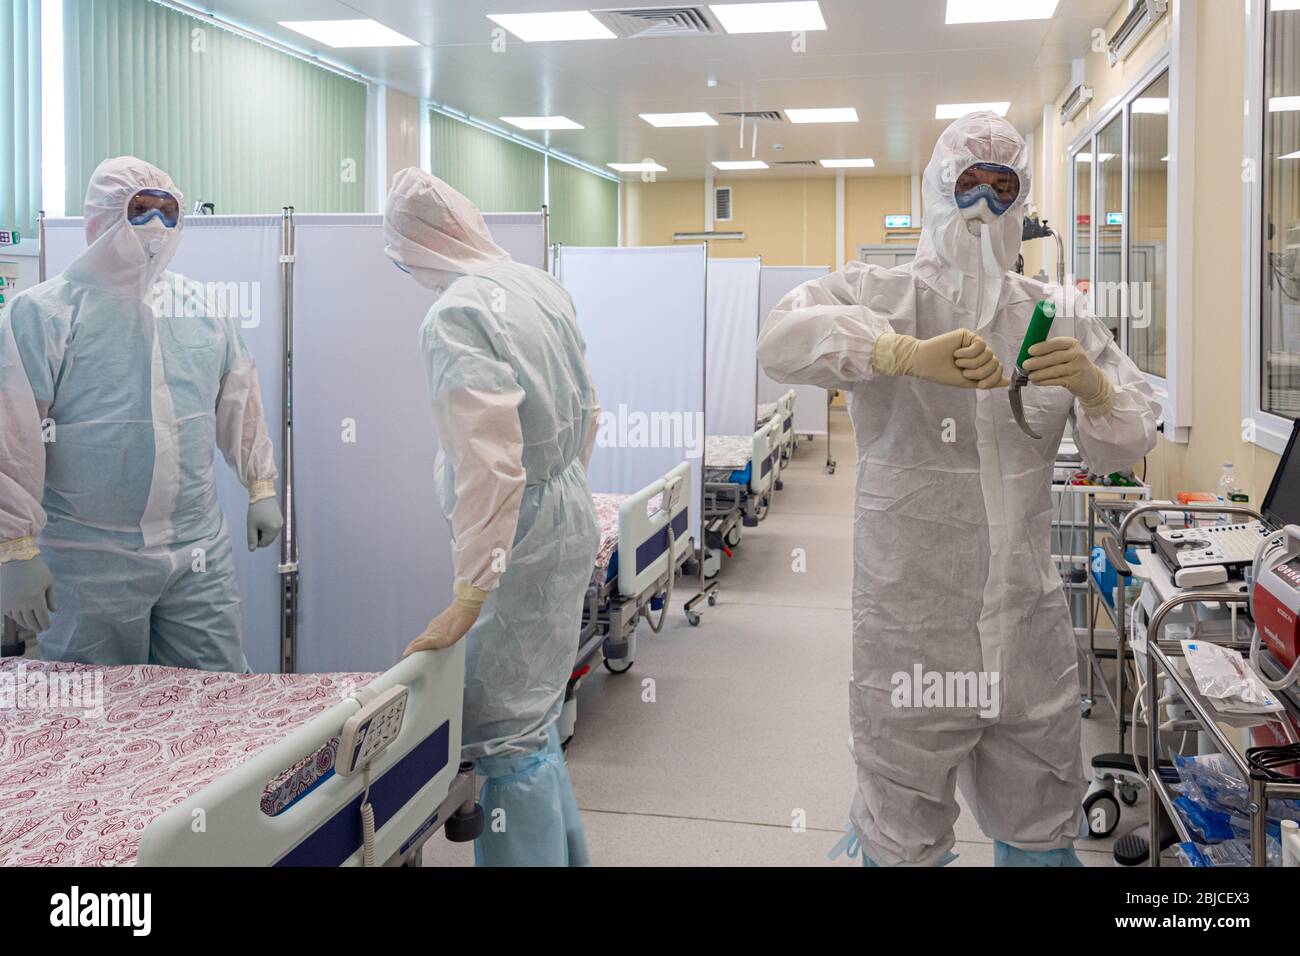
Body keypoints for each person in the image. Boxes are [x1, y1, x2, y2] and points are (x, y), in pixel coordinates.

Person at [758, 112, 1159, 867]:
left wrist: (1097, 389)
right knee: (902, 839)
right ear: (936, 190)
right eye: (965, 185)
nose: (981, 207)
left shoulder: (1057, 312)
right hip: (910, 630)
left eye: (1001, 188)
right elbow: (780, 340)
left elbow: (1127, 442)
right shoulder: (880, 294)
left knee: (1041, 834)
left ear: (1022, 202)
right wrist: (896, 350)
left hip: (1027, 635)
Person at [385, 168, 600, 867]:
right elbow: (588, 411)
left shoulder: (456, 314)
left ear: (415, 245)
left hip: (522, 535)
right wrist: (561, 489)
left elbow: (489, 463)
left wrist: (471, 590)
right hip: (563, 513)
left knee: (505, 735)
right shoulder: (537, 286)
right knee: (533, 717)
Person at [0, 157, 282, 671]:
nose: (155, 225)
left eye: (167, 211)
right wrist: (14, 545)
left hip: (197, 549)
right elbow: (11, 435)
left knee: (214, 695)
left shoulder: (201, 305)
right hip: (88, 557)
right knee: (98, 713)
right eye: (139, 209)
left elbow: (239, 396)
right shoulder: (43, 313)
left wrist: (260, 484)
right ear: (101, 217)